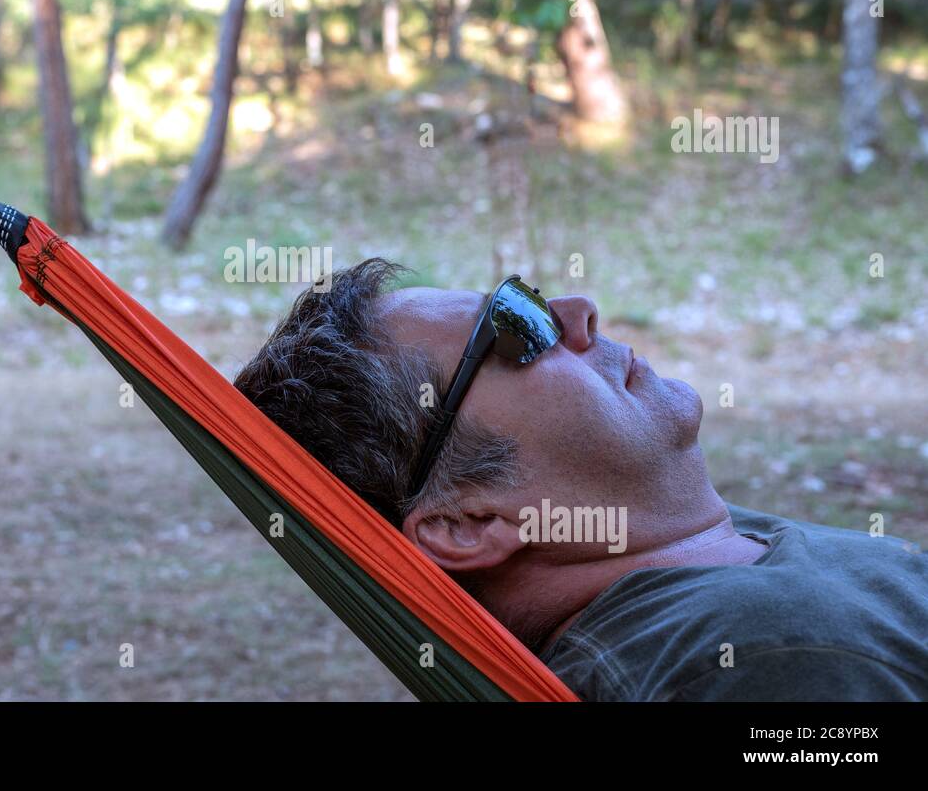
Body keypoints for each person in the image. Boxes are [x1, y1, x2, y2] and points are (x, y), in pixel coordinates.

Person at [234, 259, 928, 700]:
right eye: (514, 330)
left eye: (524, 298)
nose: (576, 310)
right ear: (468, 522)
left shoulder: (730, 578)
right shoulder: (762, 664)